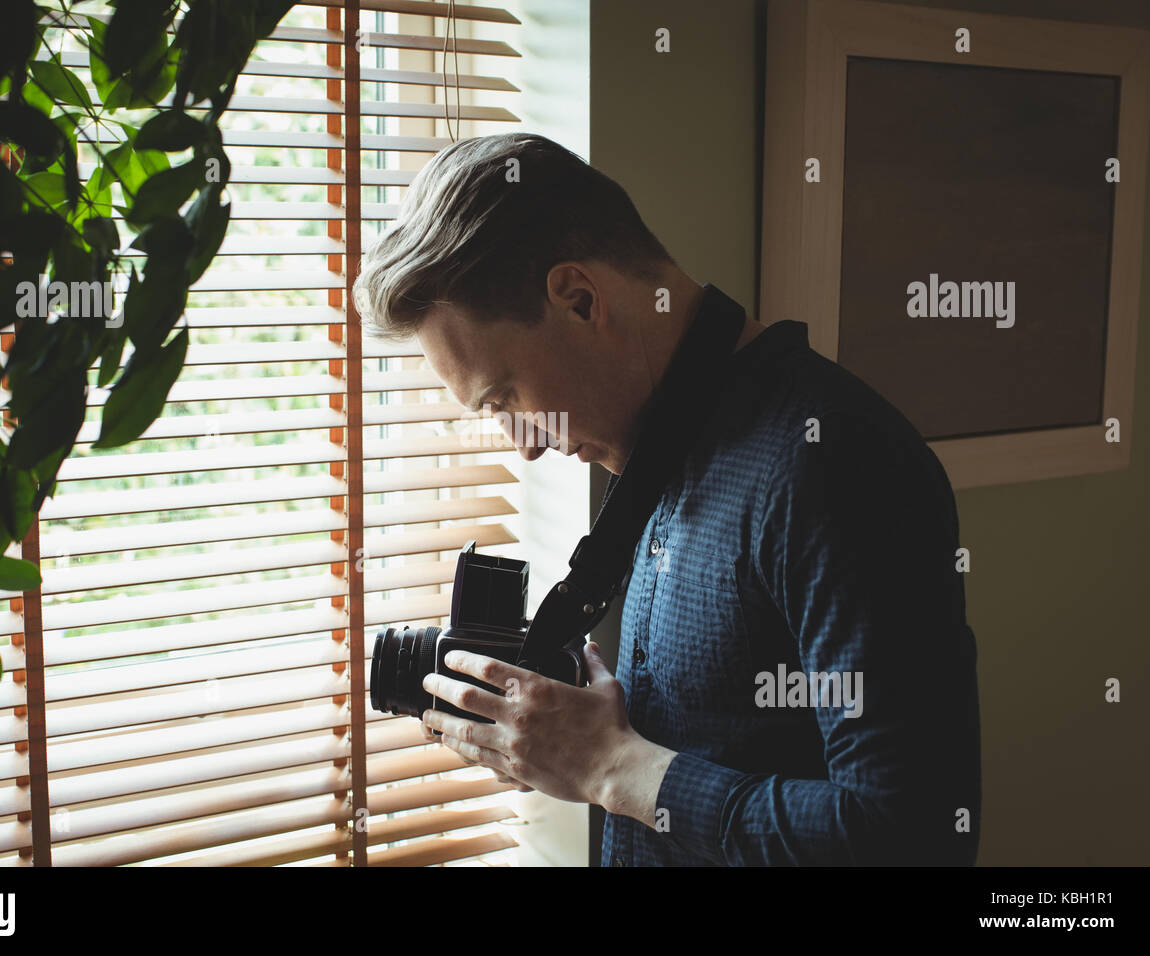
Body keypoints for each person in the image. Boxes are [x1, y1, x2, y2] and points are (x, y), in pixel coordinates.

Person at [352, 132, 981, 866]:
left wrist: (612, 769)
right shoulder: (663, 449)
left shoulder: (834, 462)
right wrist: (580, 752)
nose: (523, 444)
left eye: (505, 397)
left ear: (581, 300)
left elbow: (914, 835)